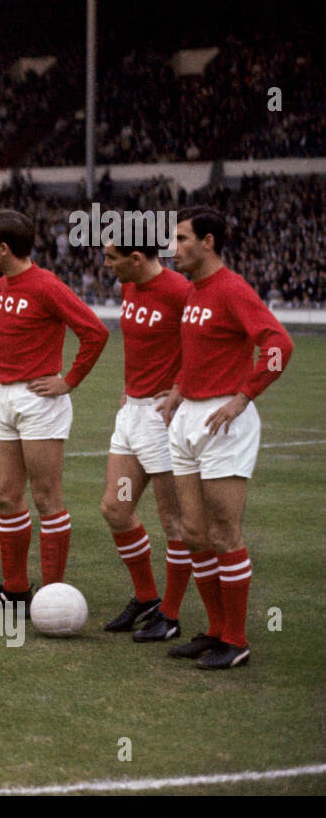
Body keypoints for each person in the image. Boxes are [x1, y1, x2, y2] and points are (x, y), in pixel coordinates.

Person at [159, 206, 293, 669]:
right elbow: (197, 351)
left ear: (208, 242)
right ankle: (215, 631)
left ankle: (237, 640)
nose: (173, 248)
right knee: (193, 532)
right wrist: (179, 390)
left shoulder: (232, 288)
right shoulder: (196, 292)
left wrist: (243, 398)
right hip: (189, 419)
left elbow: (279, 345)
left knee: (222, 531)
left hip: (224, 422)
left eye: (181, 239)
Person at [0, 209, 108, 609]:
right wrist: (0, 370)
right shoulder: (2, 287)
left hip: (40, 400)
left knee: (46, 495)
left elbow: (95, 333)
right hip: (5, 399)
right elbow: (14, 335)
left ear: (4, 248)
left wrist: (69, 380)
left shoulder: (46, 285)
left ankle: (52, 595)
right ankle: (15, 590)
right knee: (4, 493)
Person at [98, 238, 193, 639]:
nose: (106, 265)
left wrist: (179, 388)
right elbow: (138, 346)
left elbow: (208, 345)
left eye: (111, 258)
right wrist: (128, 387)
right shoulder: (128, 286)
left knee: (174, 521)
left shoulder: (181, 292)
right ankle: (147, 597)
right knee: (116, 508)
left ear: (136, 258)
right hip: (131, 416)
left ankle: (169, 616)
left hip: (163, 421)